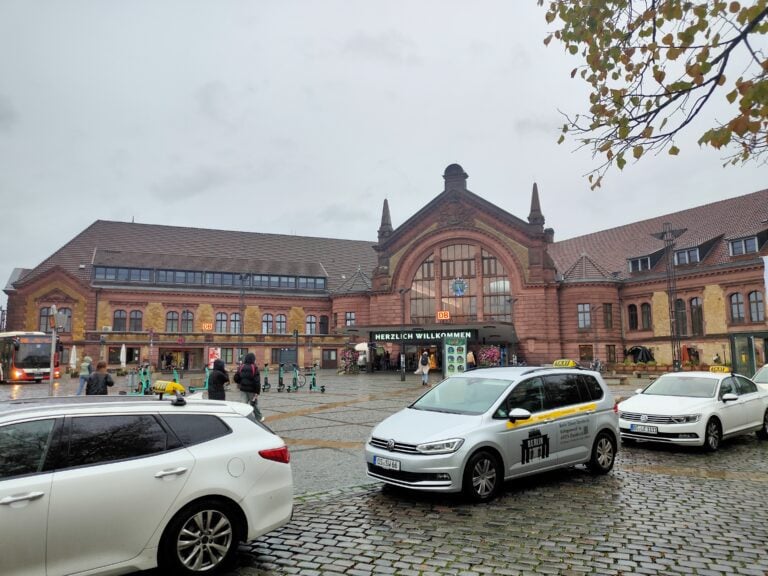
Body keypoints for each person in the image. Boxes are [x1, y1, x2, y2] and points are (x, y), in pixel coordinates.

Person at [234, 352, 263, 421]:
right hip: (252, 390)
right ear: (253, 359)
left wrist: (241, 382)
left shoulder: (242, 366)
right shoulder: (254, 368)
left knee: (243, 404)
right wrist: (257, 392)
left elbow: (236, 378)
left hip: (243, 389)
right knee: (254, 404)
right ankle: (259, 418)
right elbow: (257, 382)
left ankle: (242, 417)